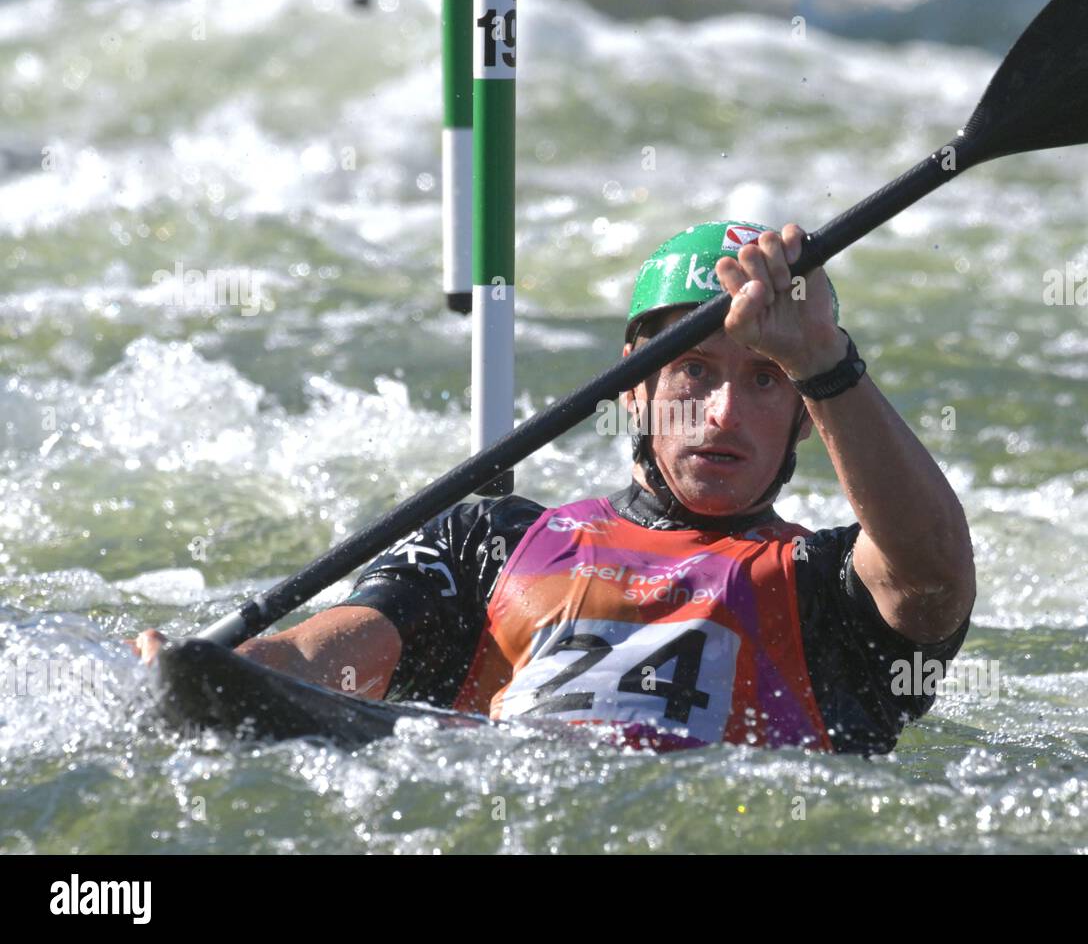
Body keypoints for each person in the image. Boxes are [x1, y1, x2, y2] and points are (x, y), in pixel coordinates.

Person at [136, 220, 976, 756]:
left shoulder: (829, 589)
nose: (722, 413)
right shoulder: (491, 541)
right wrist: (216, 678)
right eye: (691, 369)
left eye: (766, 379)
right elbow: (326, 664)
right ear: (633, 385)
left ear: (804, 413)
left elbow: (933, 575)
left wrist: (825, 363)